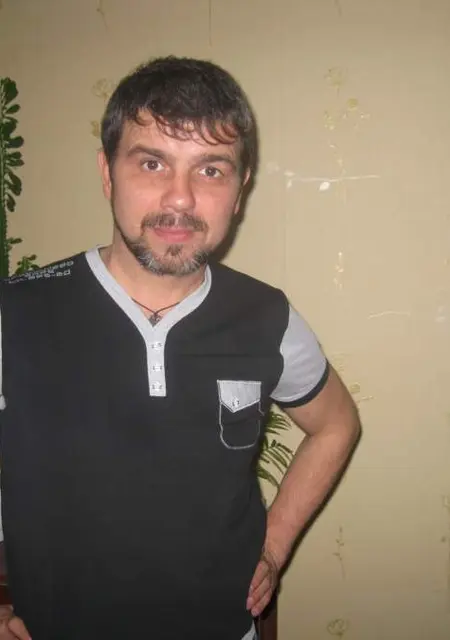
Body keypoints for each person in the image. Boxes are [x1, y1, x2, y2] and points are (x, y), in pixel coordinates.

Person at [0, 56, 361, 640]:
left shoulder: (266, 316)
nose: (182, 199)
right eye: (152, 163)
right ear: (107, 173)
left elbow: (337, 424)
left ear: (239, 190)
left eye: (211, 170)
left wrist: (274, 546)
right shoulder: (16, 313)